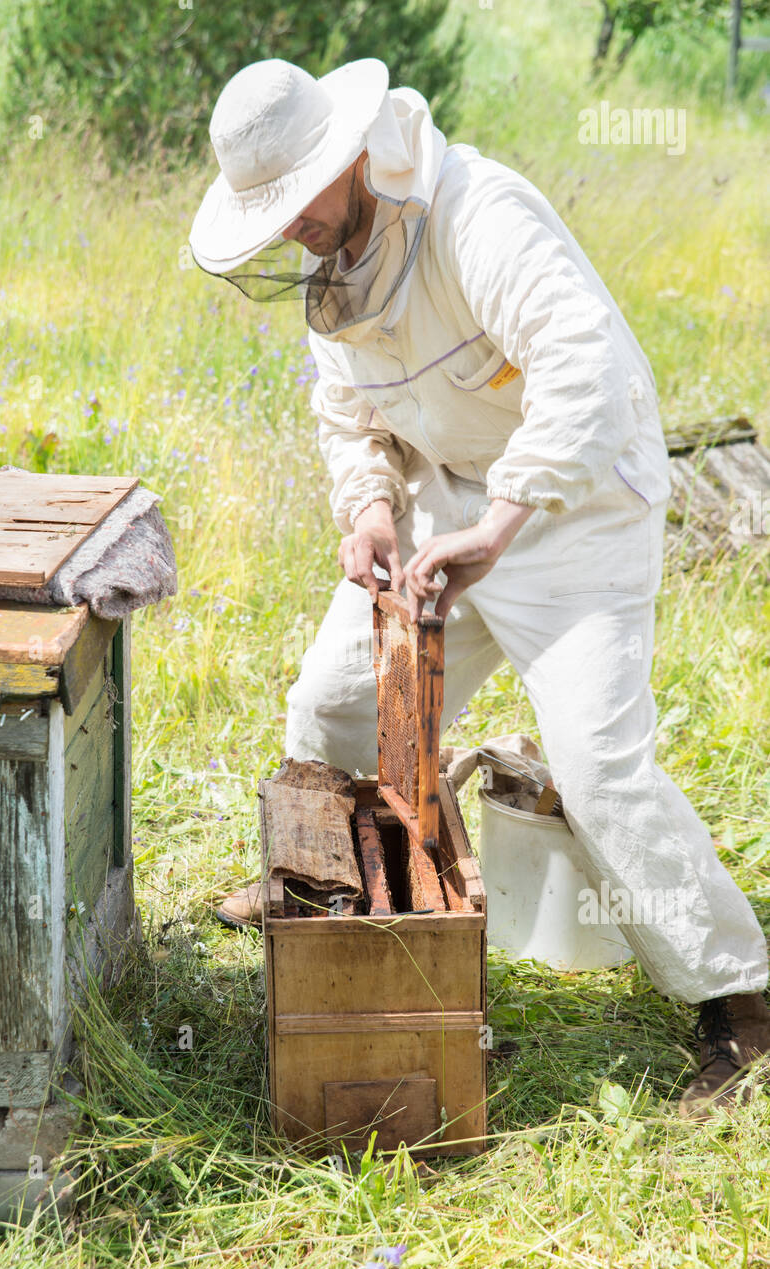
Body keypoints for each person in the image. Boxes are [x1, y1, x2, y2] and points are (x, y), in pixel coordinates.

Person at [189, 57, 770, 1120]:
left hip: (570, 503)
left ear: (350, 155)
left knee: (599, 768)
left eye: (294, 205)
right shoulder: (332, 263)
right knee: (331, 701)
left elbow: (584, 369)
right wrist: (369, 508)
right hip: (447, 501)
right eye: (267, 216)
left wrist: (502, 522)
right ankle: (333, 882)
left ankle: (739, 995)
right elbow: (349, 415)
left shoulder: (477, 214)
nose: (289, 233)